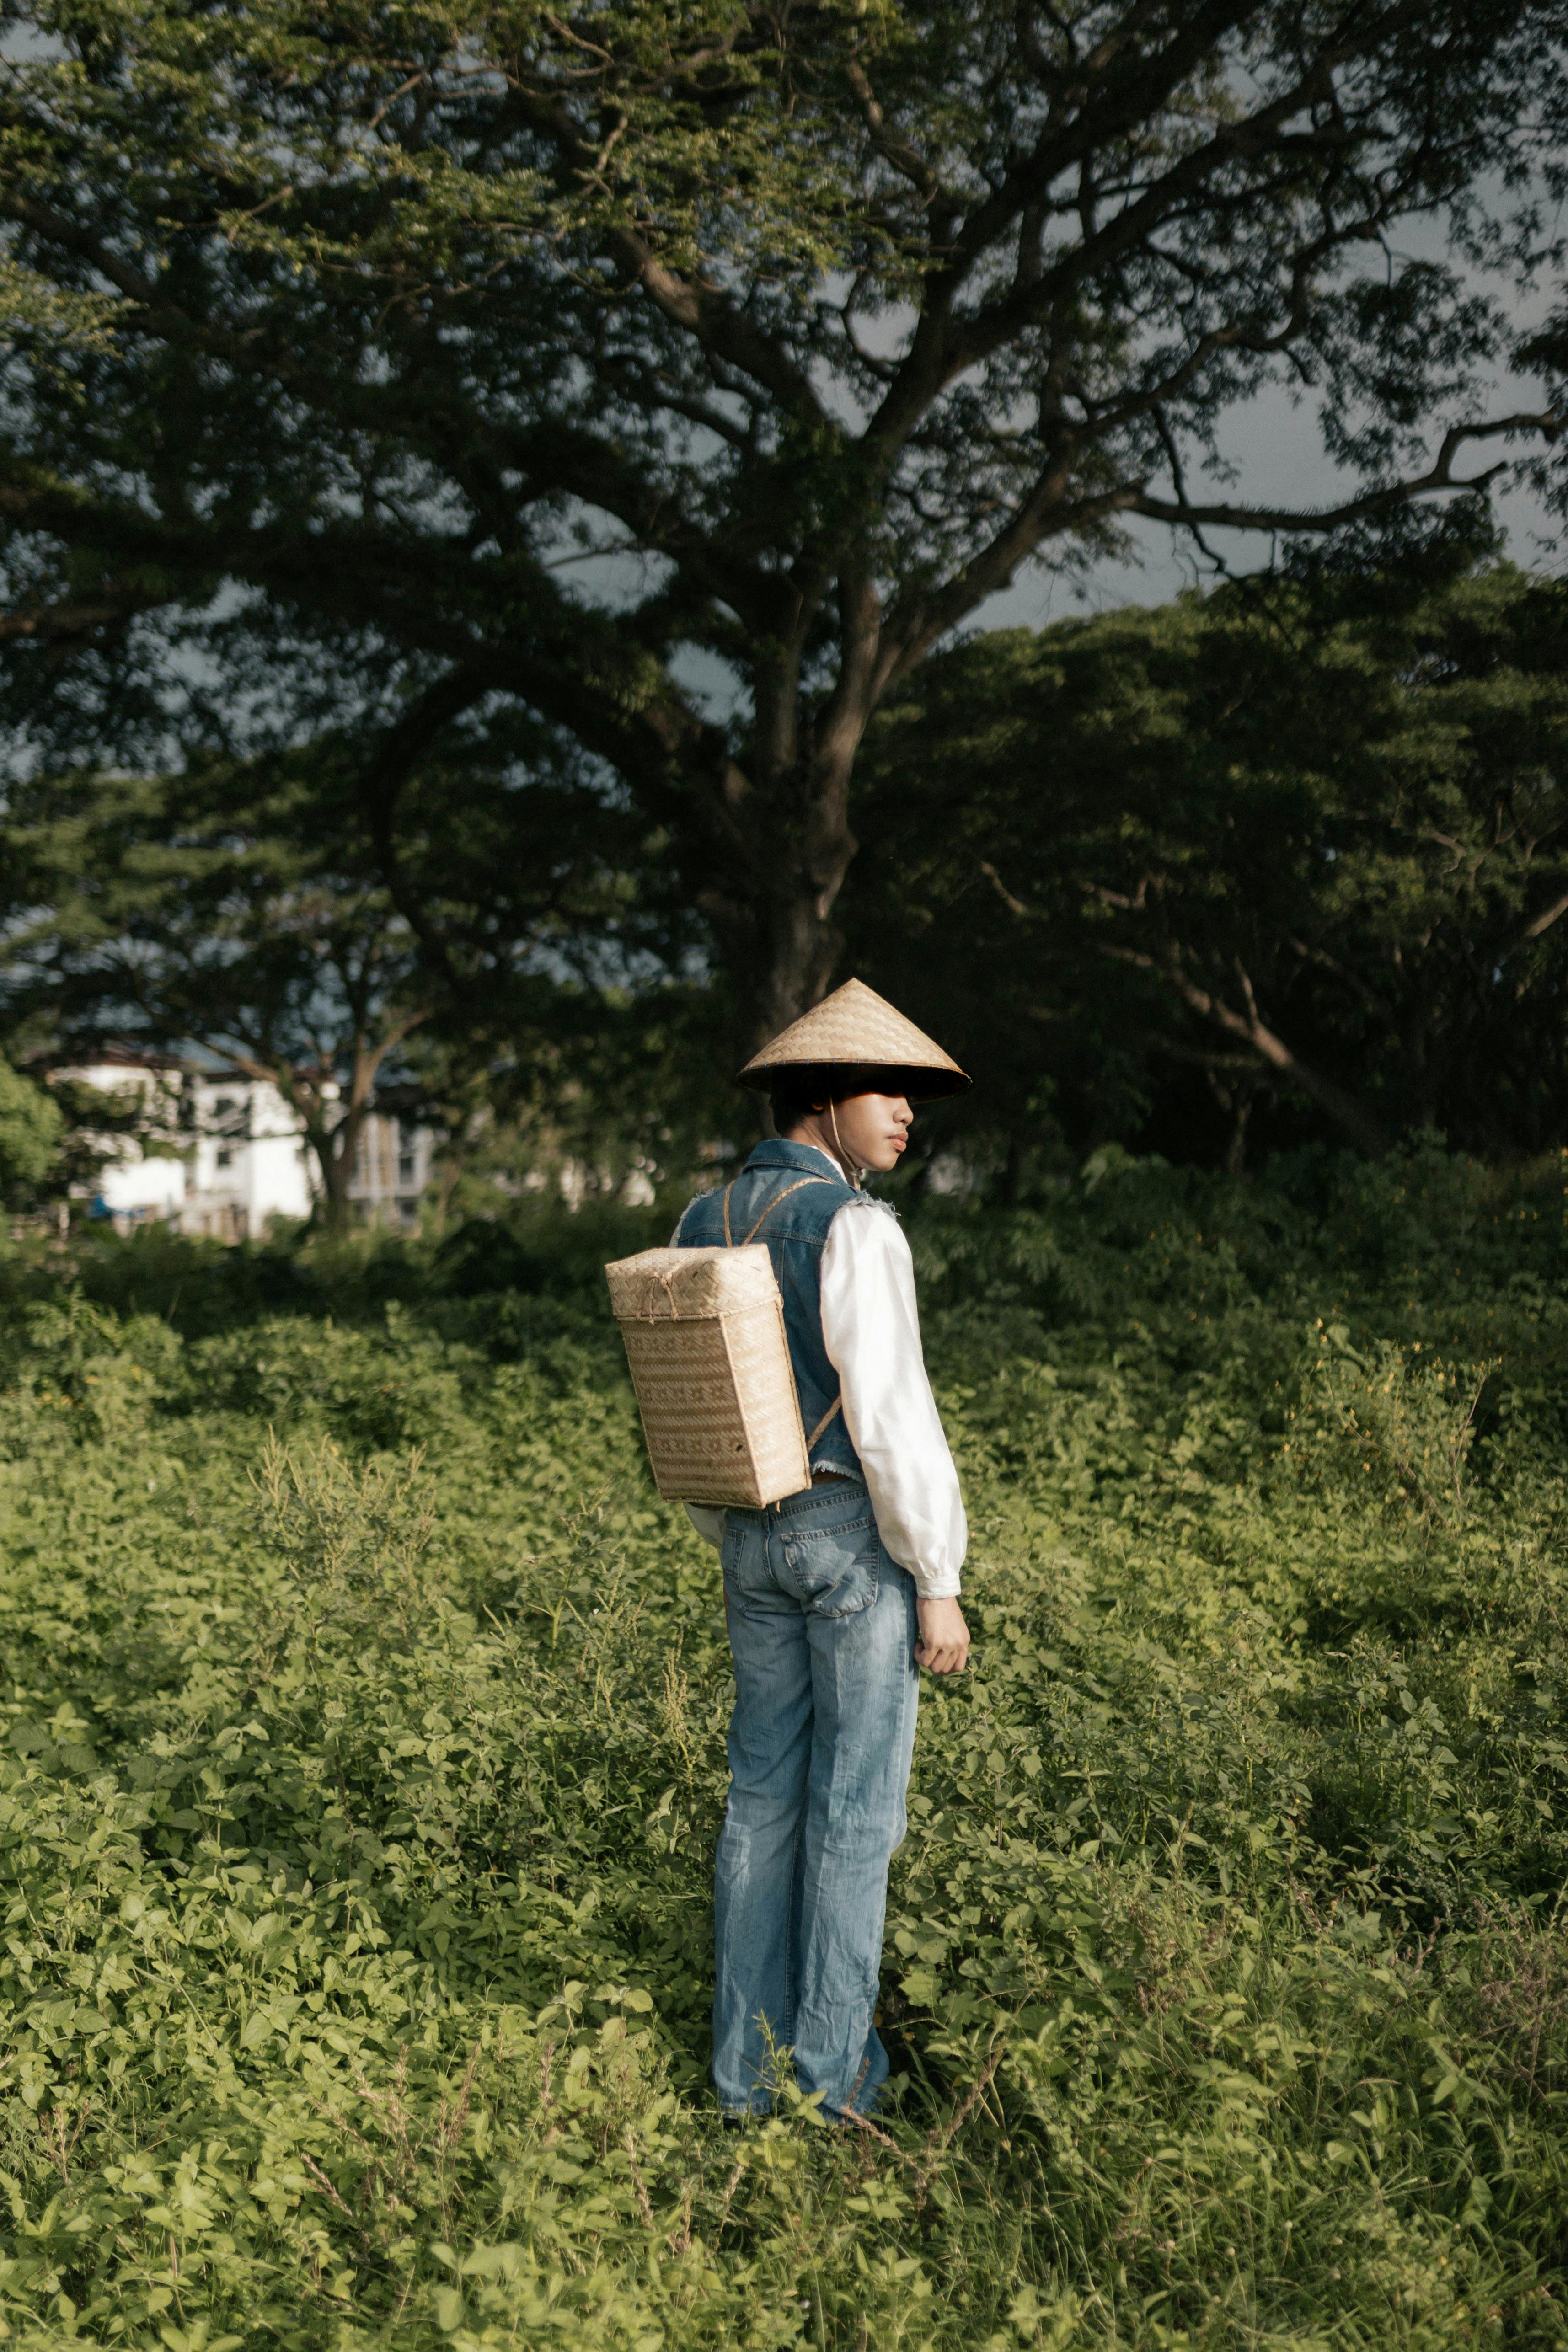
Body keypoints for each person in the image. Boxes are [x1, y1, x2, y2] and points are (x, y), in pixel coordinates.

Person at [673, 977, 971, 2122]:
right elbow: (892, 1417)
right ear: (823, 1101)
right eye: (886, 1088)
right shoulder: (852, 1225)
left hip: (746, 1537)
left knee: (759, 1803)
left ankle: (741, 2083)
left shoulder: (703, 1219)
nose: (905, 1111)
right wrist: (936, 1579)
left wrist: (734, 1527)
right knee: (853, 1817)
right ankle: (834, 2082)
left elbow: (694, 1397)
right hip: (848, 1538)